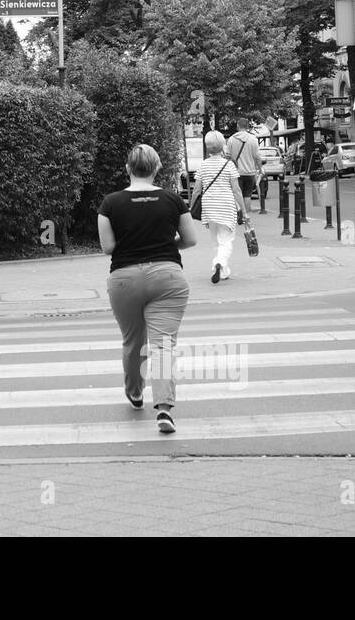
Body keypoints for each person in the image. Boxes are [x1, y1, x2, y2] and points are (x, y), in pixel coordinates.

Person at [97, 144, 197, 435]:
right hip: (168, 277)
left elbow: (108, 248)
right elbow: (190, 240)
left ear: (128, 168)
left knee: (132, 341)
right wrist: (166, 247)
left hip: (125, 279)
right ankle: (164, 409)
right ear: (156, 168)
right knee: (164, 345)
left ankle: (136, 392)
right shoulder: (172, 199)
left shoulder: (110, 203)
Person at [191, 130, 246, 284]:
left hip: (209, 206)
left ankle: (223, 271)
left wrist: (190, 207)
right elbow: (236, 190)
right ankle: (219, 263)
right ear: (223, 146)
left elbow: (197, 190)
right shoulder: (229, 165)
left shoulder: (202, 165)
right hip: (226, 206)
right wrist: (244, 210)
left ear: (207, 147)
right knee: (226, 239)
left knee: (216, 240)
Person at [226, 123, 263, 213]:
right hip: (250, 172)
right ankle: (245, 216)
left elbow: (227, 156)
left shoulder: (231, 139)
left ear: (238, 127)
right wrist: (260, 169)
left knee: (236, 193)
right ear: (247, 128)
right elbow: (257, 157)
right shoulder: (253, 140)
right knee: (247, 195)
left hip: (235, 172)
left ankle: (238, 213)